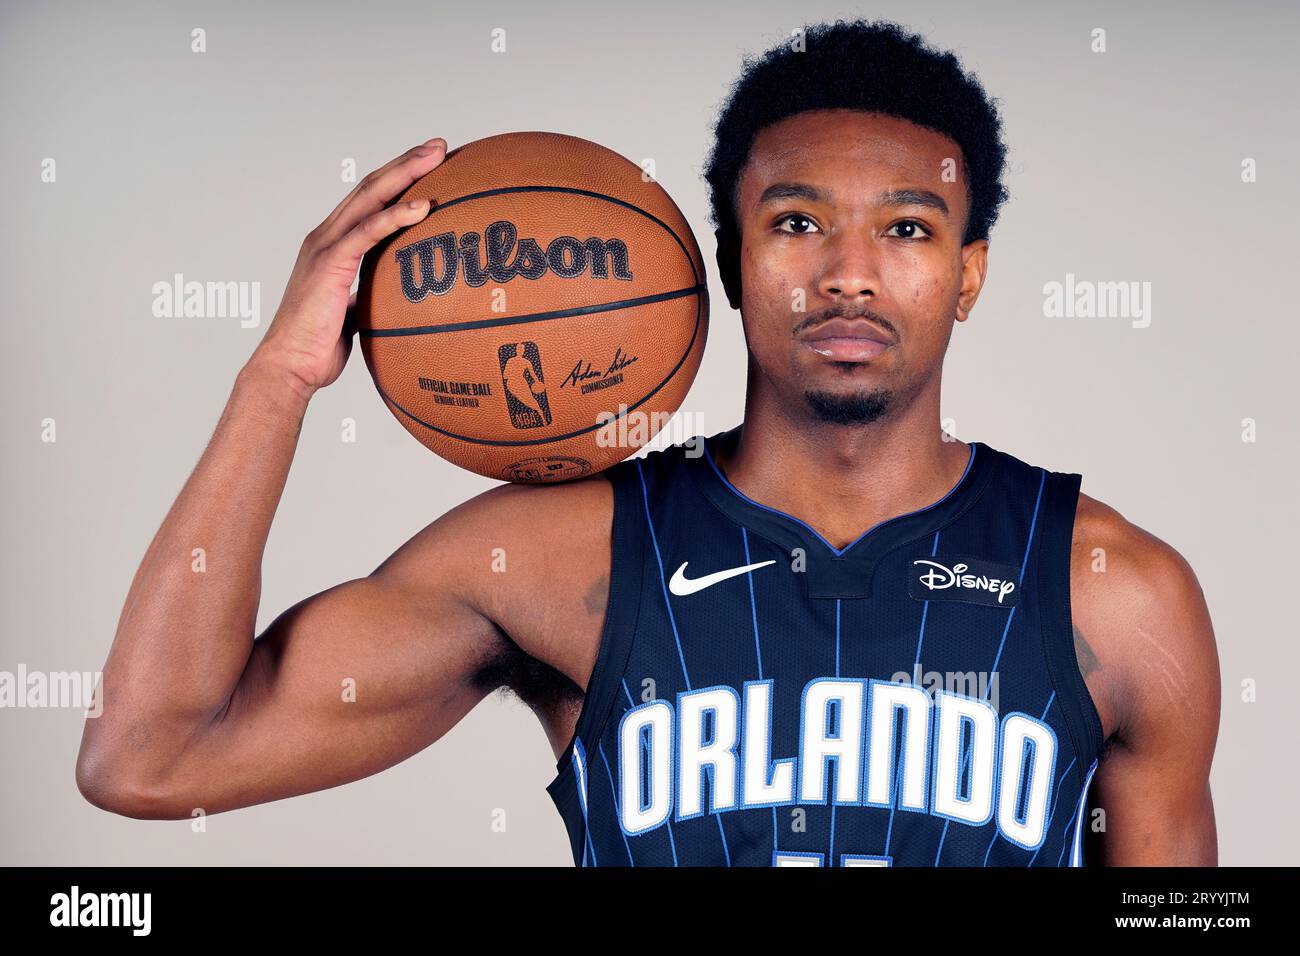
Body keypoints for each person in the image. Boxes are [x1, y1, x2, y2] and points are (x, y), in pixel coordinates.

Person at [76, 19, 1219, 866]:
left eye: (908, 228)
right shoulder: (559, 556)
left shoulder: (1115, 591)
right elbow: (149, 756)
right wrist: (277, 378)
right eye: (797, 221)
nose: (849, 271)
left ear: (967, 273)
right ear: (727, 261)